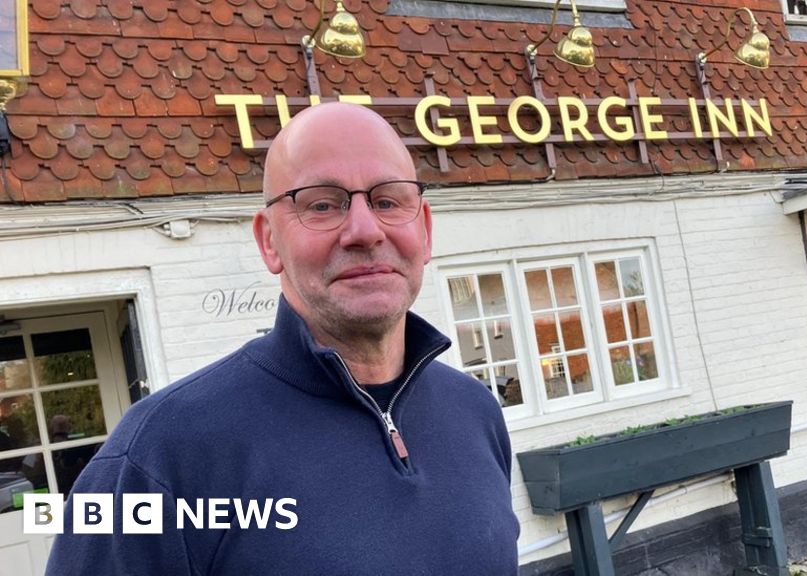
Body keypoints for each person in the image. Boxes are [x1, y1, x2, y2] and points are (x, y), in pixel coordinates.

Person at [46, 103, 520, 575]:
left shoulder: (475, 411)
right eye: (322, 204)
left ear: (426, 229)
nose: (364, 230)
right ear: (269, 241)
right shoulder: (159, 455)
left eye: (388, 201)